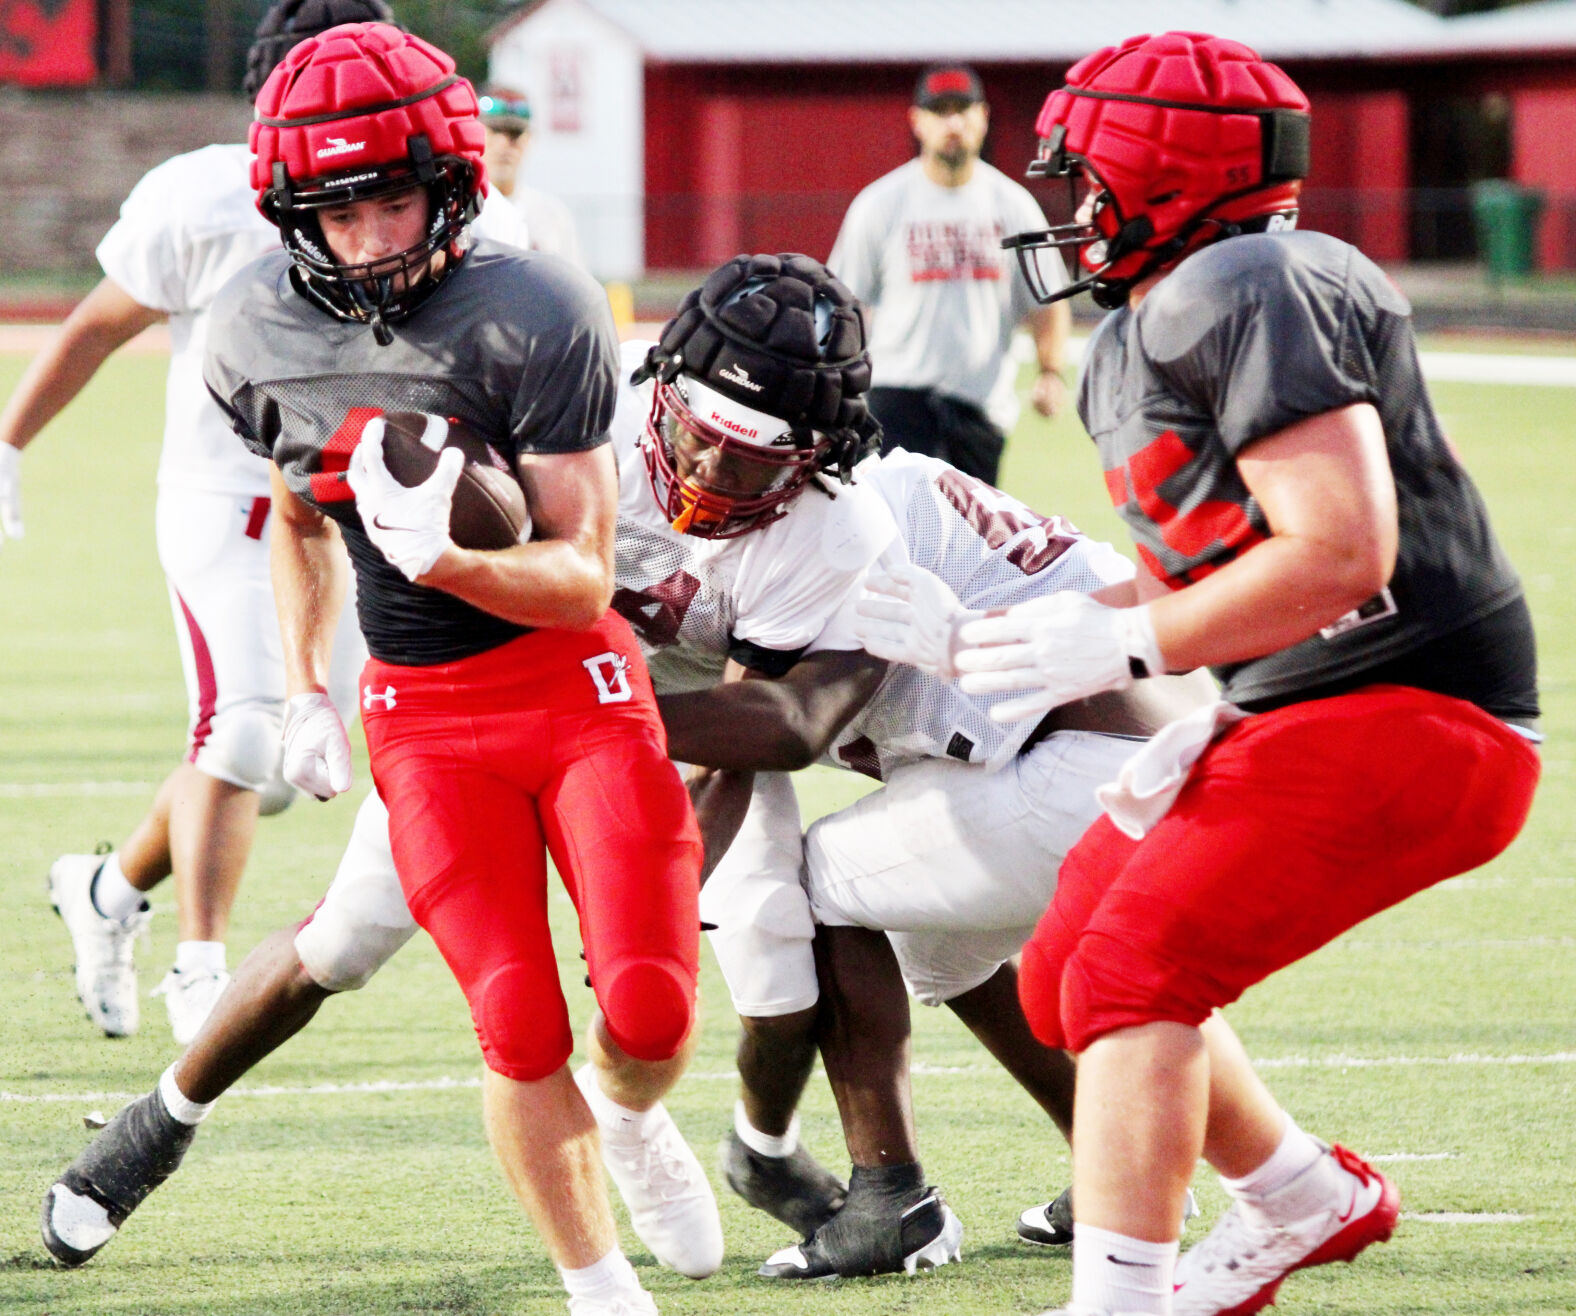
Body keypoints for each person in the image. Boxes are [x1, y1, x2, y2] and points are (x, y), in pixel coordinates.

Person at [41, 248, 1207, 1285]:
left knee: (763, 924)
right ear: (661, 387)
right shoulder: (578, 400)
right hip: (475, 694)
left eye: (761, 461)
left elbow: (777, 721)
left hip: (671, 711)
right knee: (347, 931)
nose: (716, 471)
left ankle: (764, 1152)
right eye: (701, 432)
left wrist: (637, 831)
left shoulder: (837, 527)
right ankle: (159, 1116)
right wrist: (315, 679)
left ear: (818, 457)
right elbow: (339, 502)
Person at [861, 31, 1542, 1316]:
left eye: (1084, 177)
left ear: (1158, 173)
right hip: (1300, 701)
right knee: (1067, 969)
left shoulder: (1249, 282)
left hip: (1414, 706)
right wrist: (982, 627)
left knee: (1131, 976)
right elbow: (1198, 569)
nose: (1067, 209)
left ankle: (1121, 1302)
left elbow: (1341, 548)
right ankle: (1301, 1194)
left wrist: (1132, 647)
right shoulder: (1154, 320)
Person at [212, 24, 708, 1314]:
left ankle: (634, 1114)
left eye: (395, 199)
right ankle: (599, 1288)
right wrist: (306, 687)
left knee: (648, 1008)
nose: (372, 234)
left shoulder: (534, 303)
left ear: (452, 181)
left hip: (572, 684)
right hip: (422, 712)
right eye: (340, 208)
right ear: (289, 209)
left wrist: (452, 560)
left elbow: (586, 571)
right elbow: (302, 516)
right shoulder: (253, 328)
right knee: (517, 1018)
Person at [0, 0, 529, 1046]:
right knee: (241, 730)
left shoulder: (466, 210)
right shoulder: (203, 198)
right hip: (224, 497)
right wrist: (9, 442)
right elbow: (97, 326)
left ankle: (107, 885)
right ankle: (201, 963)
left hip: (363, 512)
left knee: (283, 772)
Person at [828, 63, 1070, 486]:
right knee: (899, 533)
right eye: (940, 111)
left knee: (969, 542)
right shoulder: (882, 204)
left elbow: (1047, 299)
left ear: (983, 117)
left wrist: (1050, 372)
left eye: (964, 109)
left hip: (979, 404)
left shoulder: (1014, 207)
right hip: (897, 394)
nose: (953, 122)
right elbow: (842, 301)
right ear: (917, 121)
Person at [478, 85, 584, 265]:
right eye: (495, 131)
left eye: (515, 134)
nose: (504, 143)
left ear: (529, 139)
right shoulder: (459, 211)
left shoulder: (552, 217)